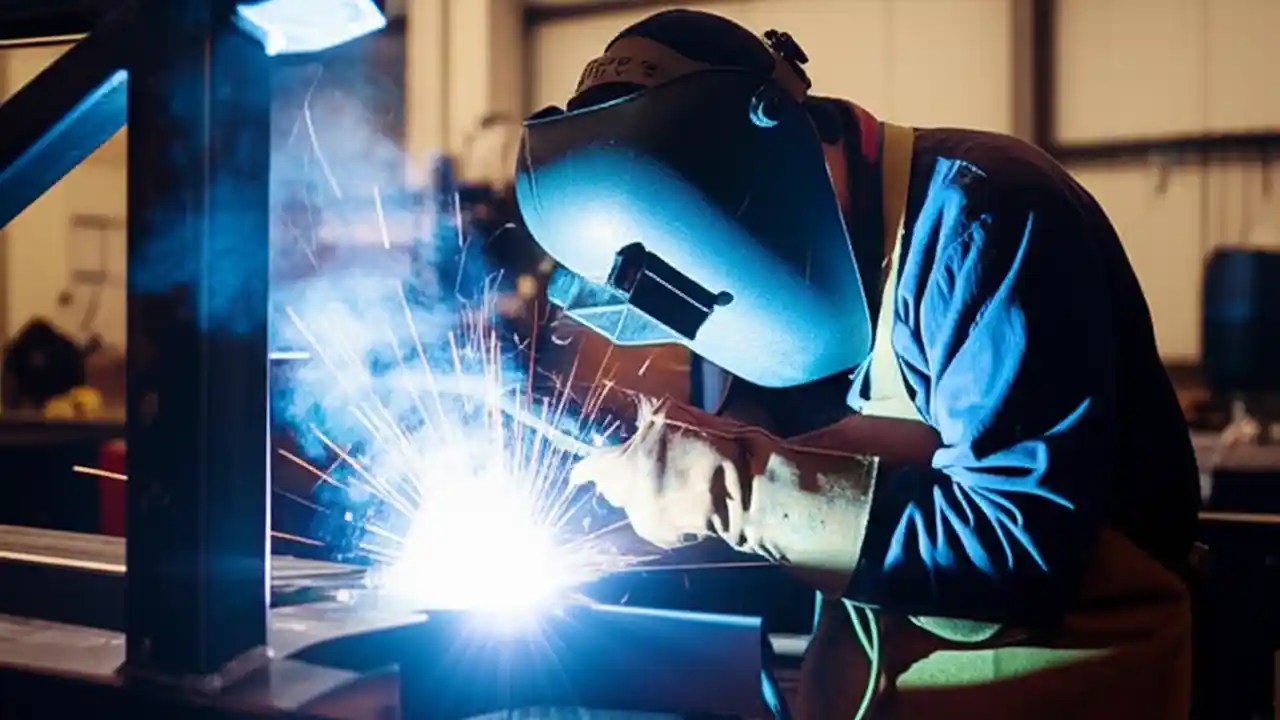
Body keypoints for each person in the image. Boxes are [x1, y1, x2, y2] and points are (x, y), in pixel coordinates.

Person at [514, 9, 1200, 719]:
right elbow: (793, 461)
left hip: (1059, 681)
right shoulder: (770, 283)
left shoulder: (987, 217)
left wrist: (736, 489)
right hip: (867, 683)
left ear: (773, 160)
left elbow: (1021, 548)